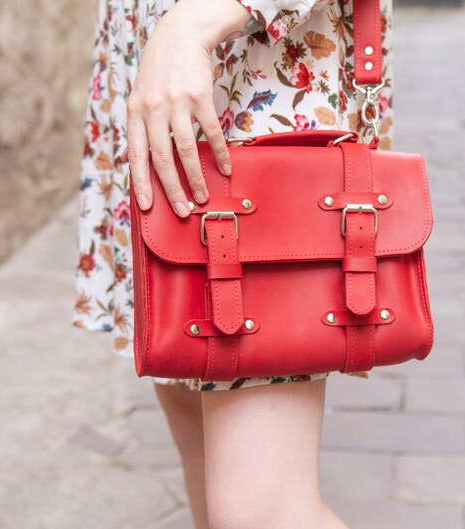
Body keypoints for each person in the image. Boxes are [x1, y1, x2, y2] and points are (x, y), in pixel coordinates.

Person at [72, 0, 394, 527]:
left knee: (257, 511)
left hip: (251, 66)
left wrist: (196, 21)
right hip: (155, 78)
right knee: (192, 424)